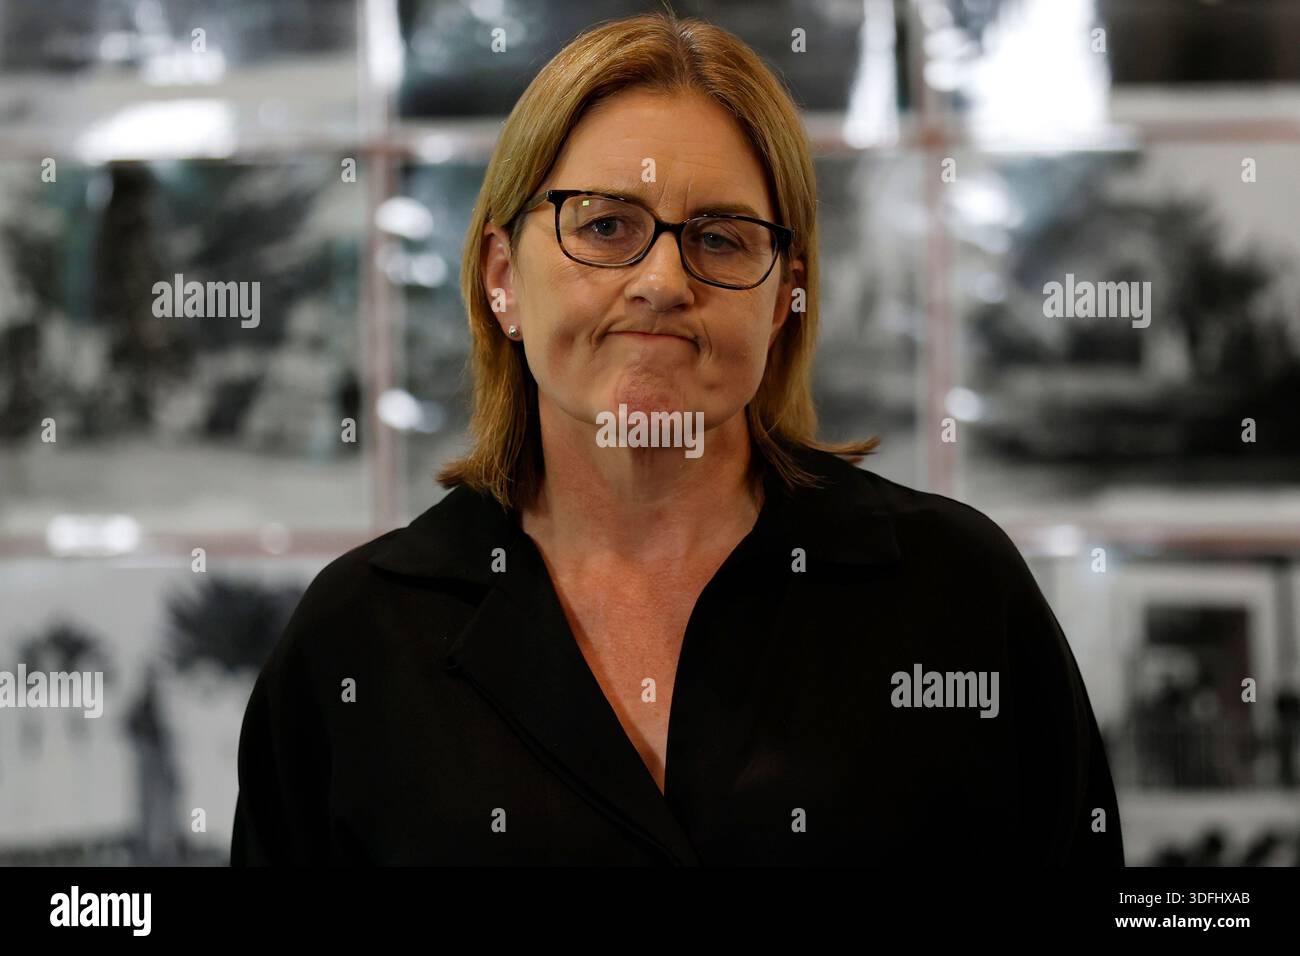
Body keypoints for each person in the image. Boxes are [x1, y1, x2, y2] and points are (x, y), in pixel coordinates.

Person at [231, 11, 1123, 865]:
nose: (662, 280)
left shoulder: (958, 596)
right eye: (606, 226)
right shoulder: (355, 642)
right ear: (503, 278)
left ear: (783, 298)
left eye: (720, 239)